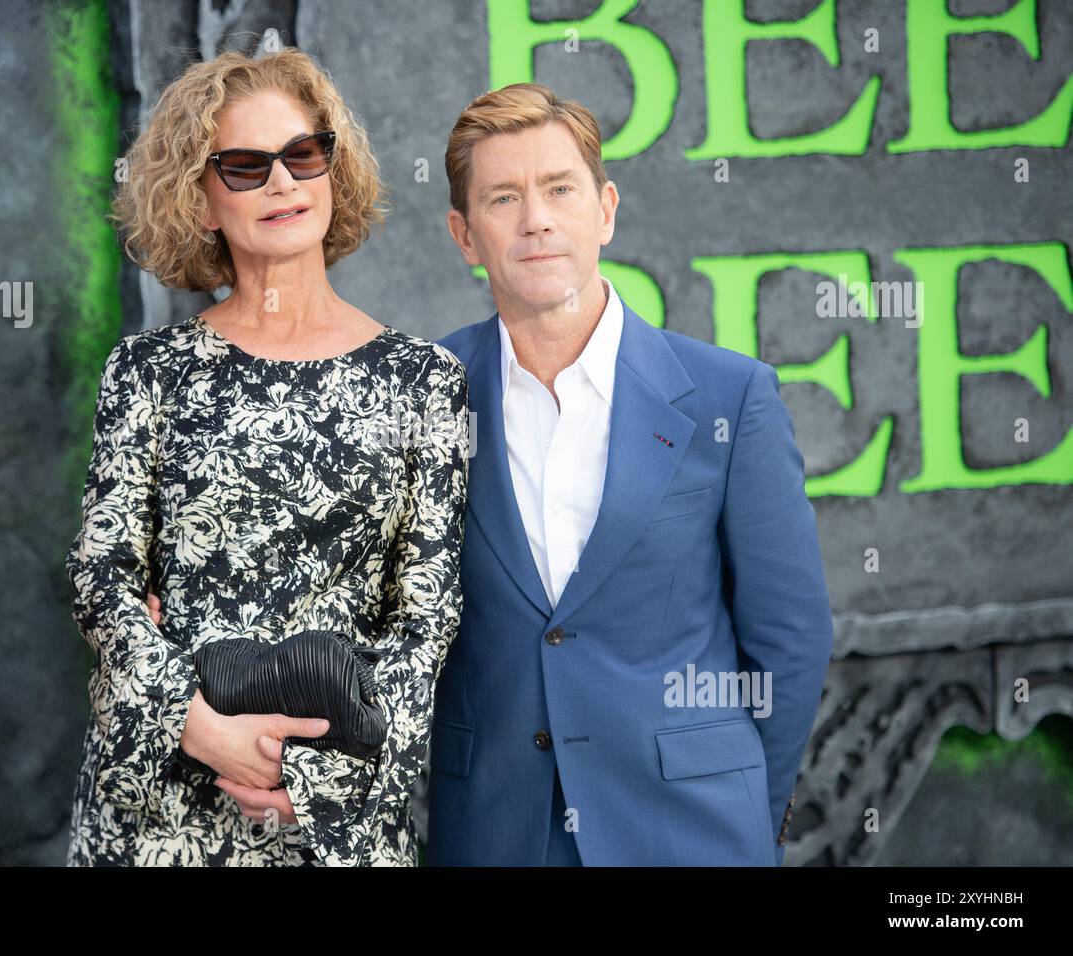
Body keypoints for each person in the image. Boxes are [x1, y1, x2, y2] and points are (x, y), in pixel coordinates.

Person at [63, 47, 469, 866]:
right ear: (201, 201)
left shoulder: (425, 381)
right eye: (244, 167)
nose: (282, 183)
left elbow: (426, 618)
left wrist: (312, 781)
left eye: (302, 154)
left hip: (341, 823)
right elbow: (101, 578)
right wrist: (199, 727)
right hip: (159, 811)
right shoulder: (148, 373)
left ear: (332, 167)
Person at [426, 83, 833, 866]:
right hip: (499, 831)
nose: (535, 218)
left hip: (691, 830)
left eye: (559, 189)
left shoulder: (728, 394)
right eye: (503, 197)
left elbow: (791, 634)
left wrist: (748, 802)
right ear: (465, 236)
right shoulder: (425, 392)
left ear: (604, 210)